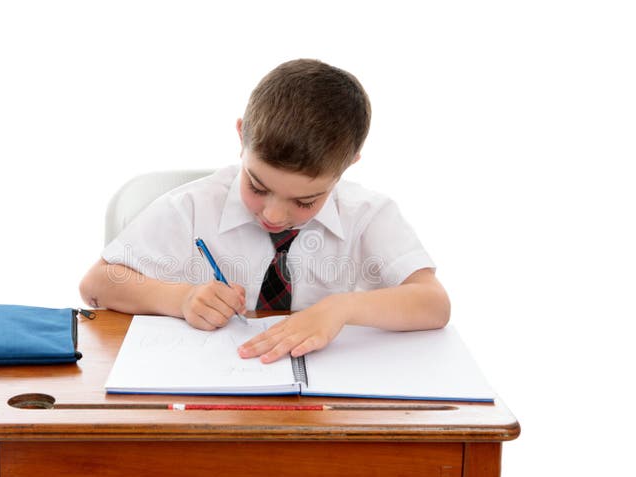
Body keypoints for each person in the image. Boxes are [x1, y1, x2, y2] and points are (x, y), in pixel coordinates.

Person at [79, 58, 450, 364]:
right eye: (257, 186)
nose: (273, 215)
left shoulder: (368, 215)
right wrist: (180, 298)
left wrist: (342, 308)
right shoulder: (192, 207)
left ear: (348, 166)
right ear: (242, 137)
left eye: (305, 201)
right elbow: (96, 283)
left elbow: (434, 304)